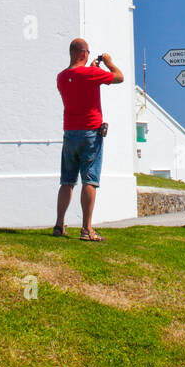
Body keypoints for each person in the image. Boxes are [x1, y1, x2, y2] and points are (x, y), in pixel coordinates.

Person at [55, 38, 124, 241]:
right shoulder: (91, 74)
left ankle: (59, 225)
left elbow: (78, 84)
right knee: (89, 181)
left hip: (70, 132)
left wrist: (92, 69)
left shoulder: (61, 77)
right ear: (84, 53)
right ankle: (87, 229)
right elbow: (119, 77)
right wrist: (109, 62)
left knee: (67, 181)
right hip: (90, 132)